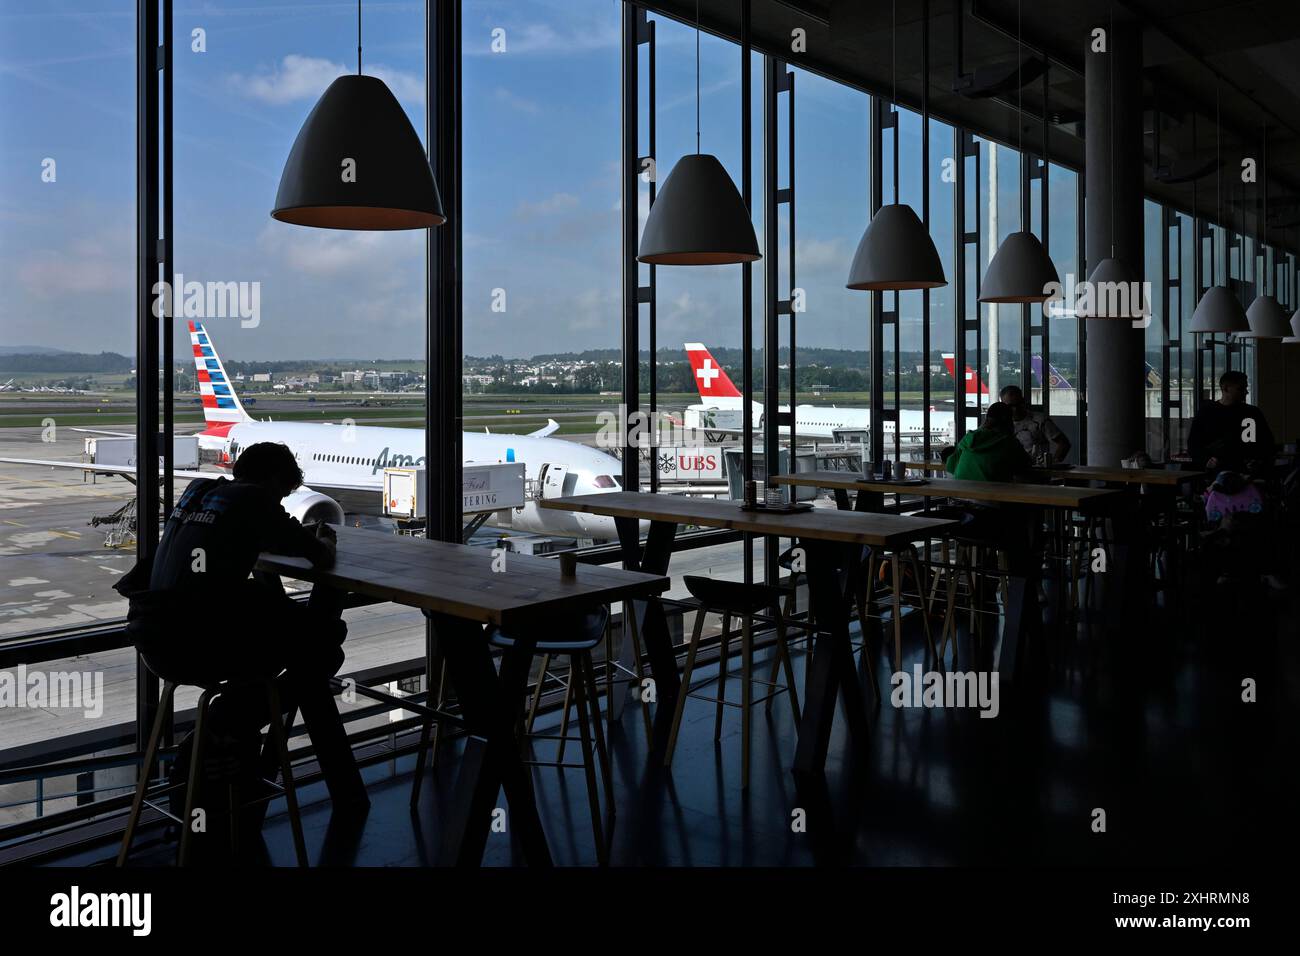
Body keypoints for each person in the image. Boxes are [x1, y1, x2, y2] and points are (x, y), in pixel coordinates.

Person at [119, 442, 367, 844]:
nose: (281, 504)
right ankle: (222, 729)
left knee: (303, 640)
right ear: (272, 480)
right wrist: (325, 541)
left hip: (154, 634)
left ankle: (226, 736)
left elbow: (239, 534)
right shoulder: (255, 500)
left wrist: (276, 530)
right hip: (195, 643)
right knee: (325, 644)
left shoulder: (200, 492)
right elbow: (319, 556)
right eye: (282, 495)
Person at [1188, 370, 1276, 476]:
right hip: (1229, 473)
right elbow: (1194, 444)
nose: (1246, 392)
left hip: (1232, 473)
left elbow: (1267, 444)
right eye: (1241, 389)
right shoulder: (1251, 413)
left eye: (1245, 388)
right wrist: (1206, 460)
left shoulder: (1207, 412)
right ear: (1226, 389)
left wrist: (1258, 461)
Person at [944, 402, 1035, 482]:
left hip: (959, 493)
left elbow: (951, 463)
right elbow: (1025, 464)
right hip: (989, 497)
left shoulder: (970, 437)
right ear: (1008, 421)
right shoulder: (1009, 442)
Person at [1000, 384, 1071, 463]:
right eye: (1010, 406)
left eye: (1018, 404)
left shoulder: (1039, 420)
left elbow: (1064, 443)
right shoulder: (1001, 424)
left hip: (1036, 472)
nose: (1015, 409)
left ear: (1023, 401)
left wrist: (1052, 463)